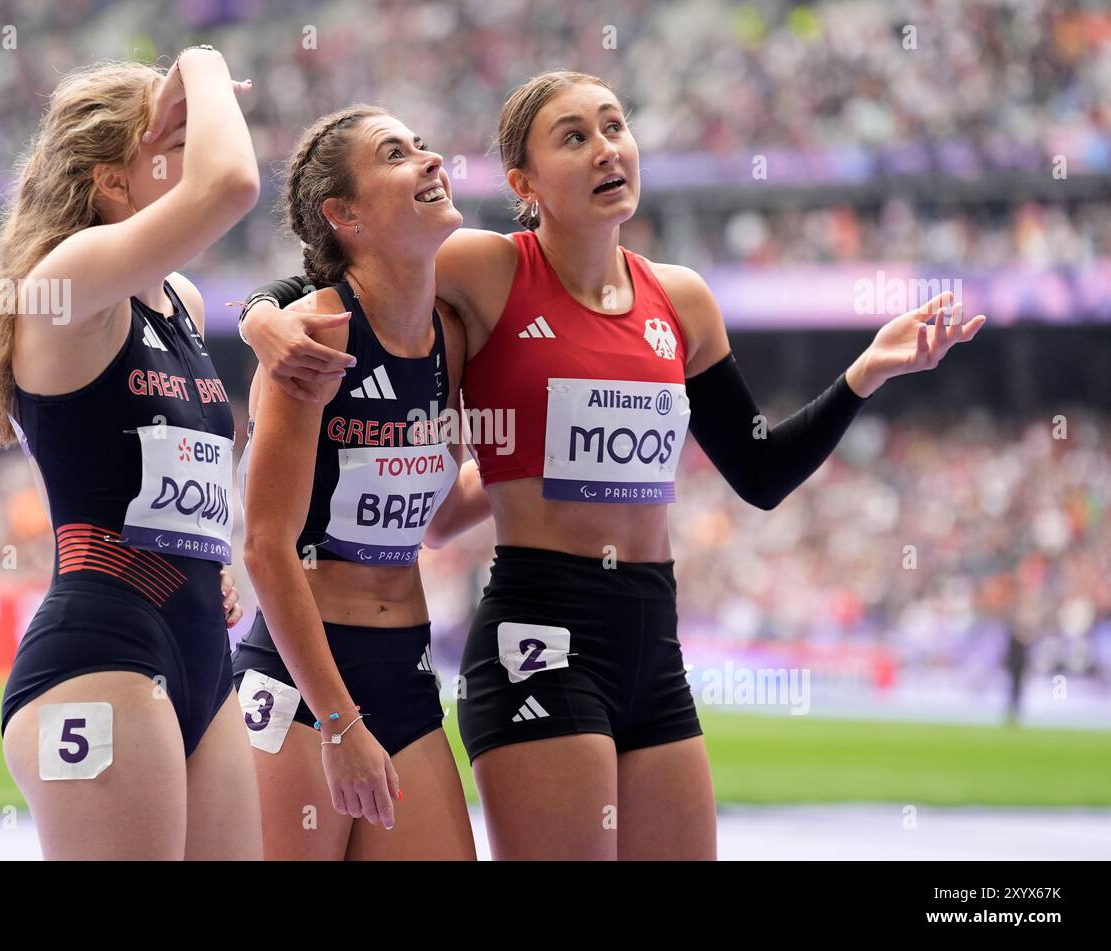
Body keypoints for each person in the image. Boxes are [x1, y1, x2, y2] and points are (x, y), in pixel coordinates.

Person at [239, 70, 986, 859]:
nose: (607, 149)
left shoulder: (682, 298)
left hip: (646, 639)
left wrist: (863, 375)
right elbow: (348, 270)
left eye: (615, 126)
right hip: (536, 632)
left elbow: (761, 472)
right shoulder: (486, 267)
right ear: (523, 182)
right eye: (575, 136)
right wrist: (258, 316)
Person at [0, 49, 264, 859]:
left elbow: (155, 472)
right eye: (174, 141)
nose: (198, 151)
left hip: (202, 654)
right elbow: (232, 184)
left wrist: (206, 549)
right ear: (114, 183)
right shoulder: (68, 282)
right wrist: (198, 61)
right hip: (101, 653)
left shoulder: (181, 302)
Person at [233, 105, 476, 860]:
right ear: (344, 214)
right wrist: (338, 723)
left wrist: (532, 470)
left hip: (407, 669)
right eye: (396, 154)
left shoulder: (454, 336)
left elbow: (434, 522)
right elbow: (267, 547)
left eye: (425, 144)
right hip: (303, 681)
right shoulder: (315, 334)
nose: (430, 160)